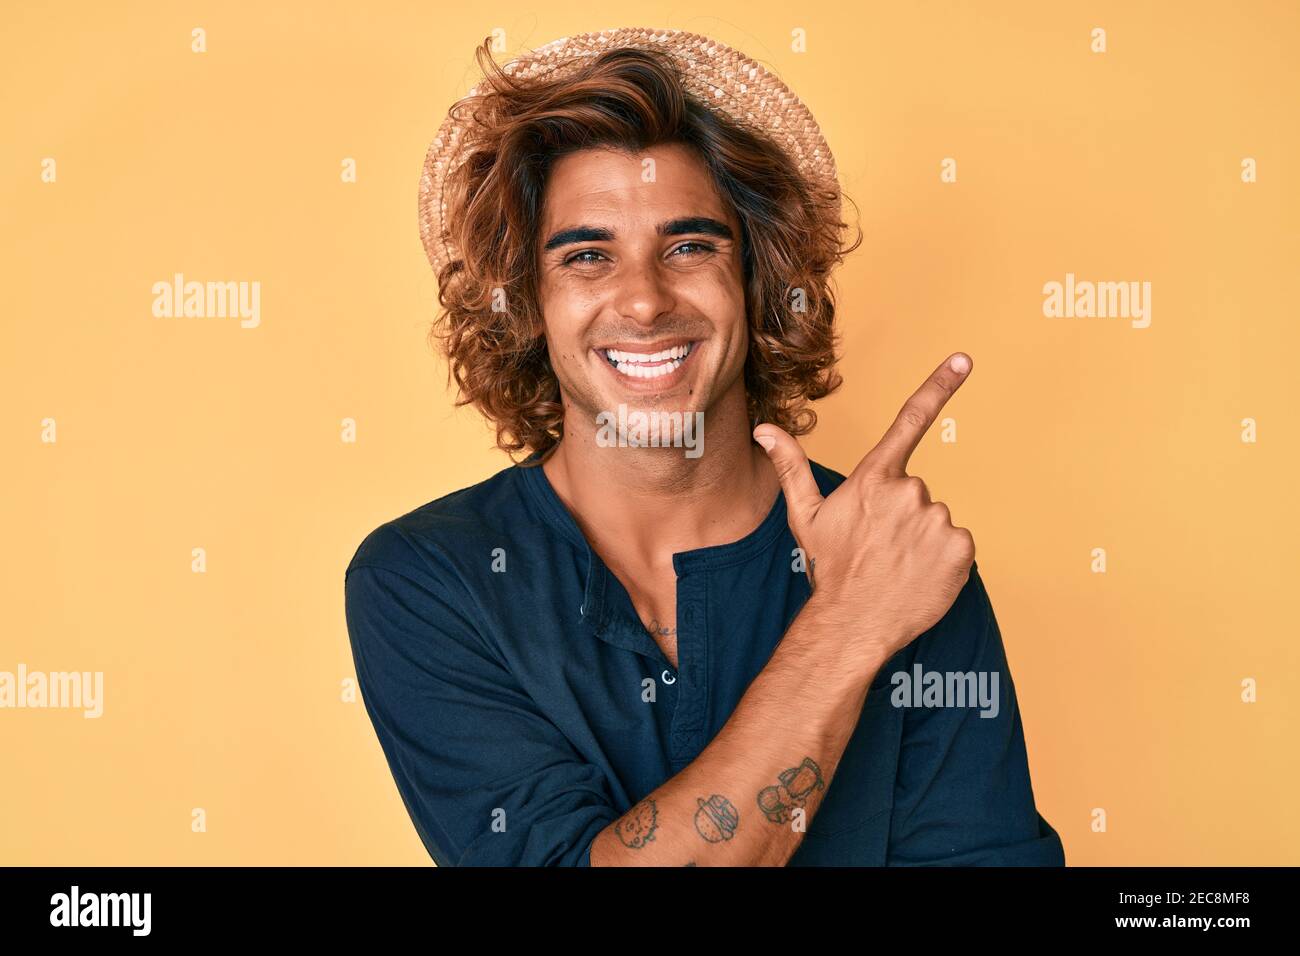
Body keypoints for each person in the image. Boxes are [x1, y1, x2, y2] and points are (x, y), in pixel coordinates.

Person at [344, 27, 1065, 866]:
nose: (644, 301)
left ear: (756, 280)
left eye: (688, 246)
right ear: (530, 307)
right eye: (586, 255)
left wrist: (872, 598)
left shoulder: (900, 559)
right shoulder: (429, 581)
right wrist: (847, 627)